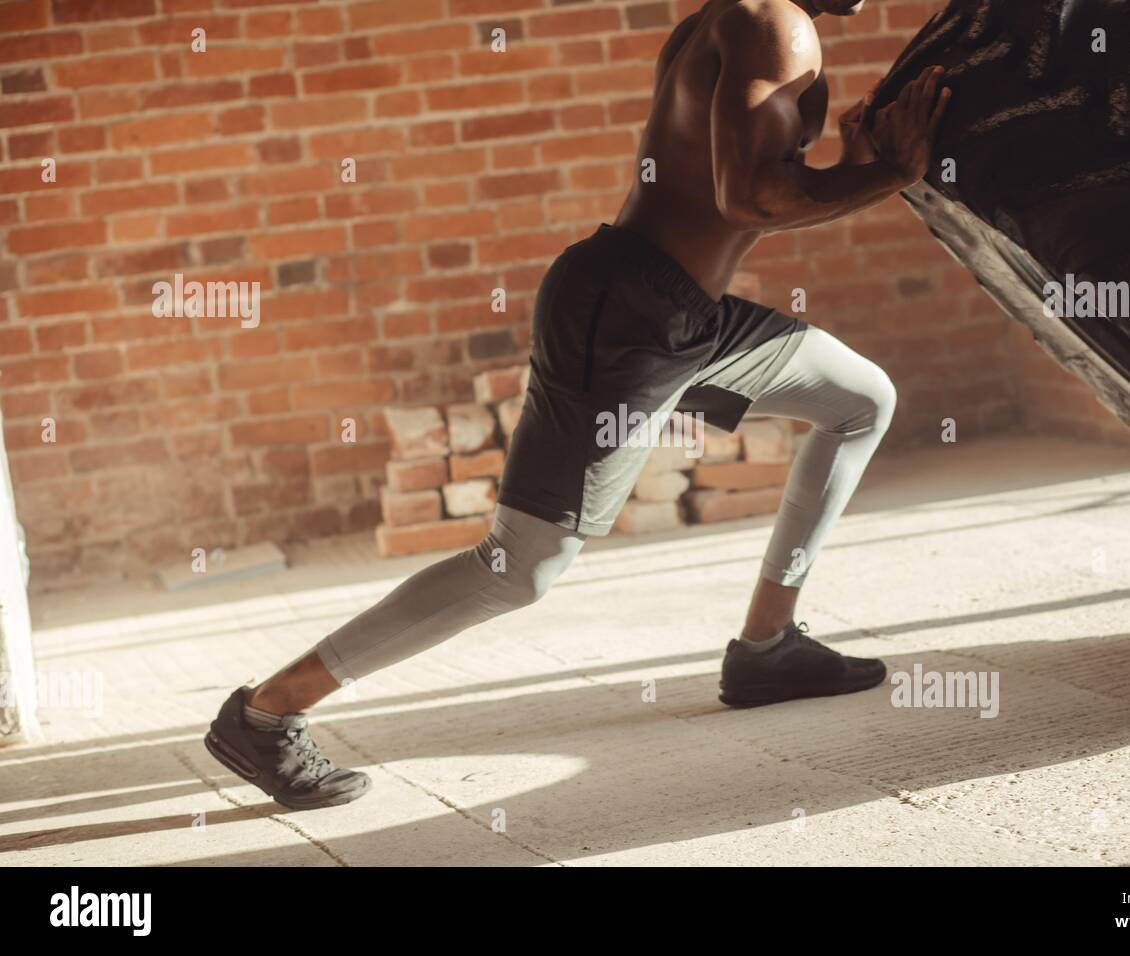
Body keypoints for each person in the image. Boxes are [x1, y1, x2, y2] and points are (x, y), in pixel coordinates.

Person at [204, 0, 950, 809]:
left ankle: (767, 648)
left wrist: (849, 159)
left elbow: (734, 186)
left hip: (687, 314)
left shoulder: (738, 20)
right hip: (627, 316)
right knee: (521, 567)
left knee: (860, 398)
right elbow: (753, 202)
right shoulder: (772, 21)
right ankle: (266, 712)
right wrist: (885, 172)